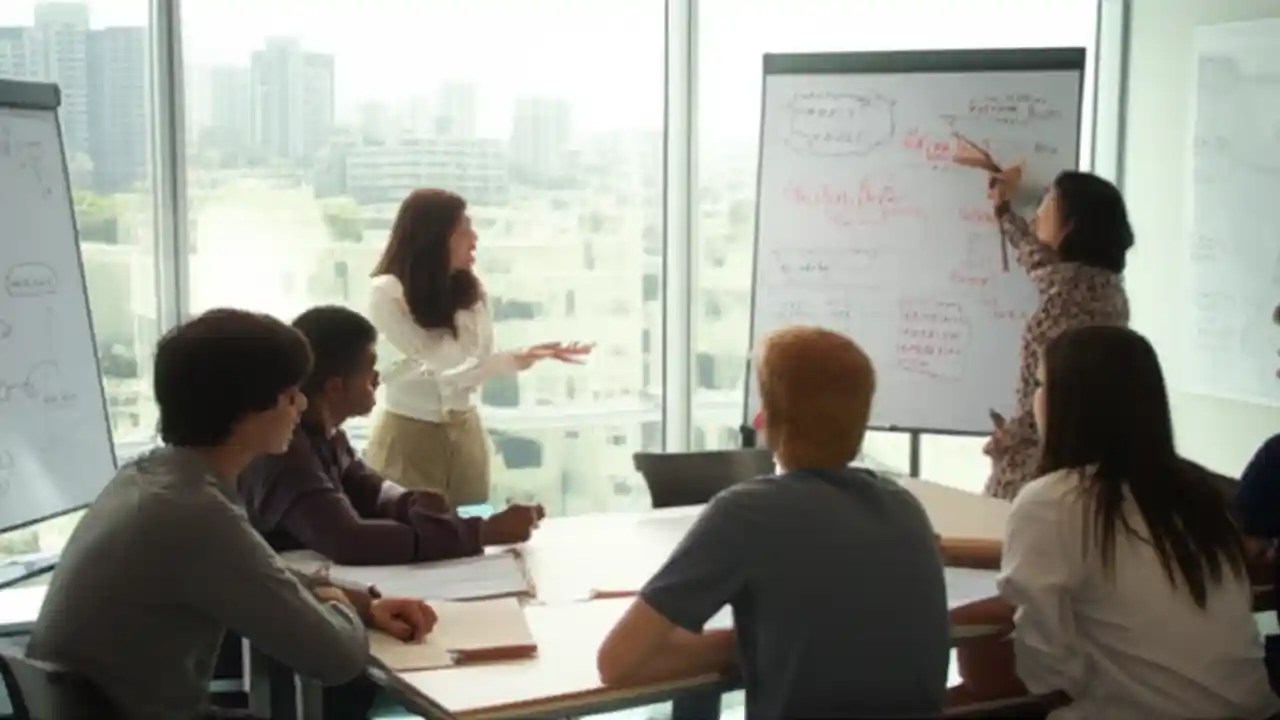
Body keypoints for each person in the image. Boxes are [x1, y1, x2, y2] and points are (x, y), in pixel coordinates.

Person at [25, 309, 437, 720]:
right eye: (291, 393)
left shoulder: (150, 478)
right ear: (245, 410)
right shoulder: (194, 513)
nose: (303, 404)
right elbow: (336, 660)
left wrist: (361, 604)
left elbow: (262, 572)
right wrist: (334, 600)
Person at [597, 326, 949, 718]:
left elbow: (617, 662)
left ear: (767, 420)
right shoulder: (906, 509)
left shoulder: (747, 513)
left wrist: (747, 644)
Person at [958, 326, 1279, 719]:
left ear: (1069, 401)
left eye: (1040, 384)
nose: (1033, 398)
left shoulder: (1053, 500)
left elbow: (1045, 665)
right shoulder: (1200, 492)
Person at [239, 305, 545, 565]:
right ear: (335, 387)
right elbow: (349, 540)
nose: (378, 378)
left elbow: (366, 486)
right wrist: (481, 533)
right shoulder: (285, 452)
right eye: (370, 368)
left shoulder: (327, 436)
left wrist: (409, 502)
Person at [363, 188, 592, 505]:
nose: (475, 238)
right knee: (411, 534)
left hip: (466, 432)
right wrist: (501, 360)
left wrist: (520, 358)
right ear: (433, 238)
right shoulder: (386, 293)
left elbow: (472, 362)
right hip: (408, 436)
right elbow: (447, 364)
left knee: (471, 531)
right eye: (462, 230)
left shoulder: (470, 293)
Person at [980, 167, 1133, 500]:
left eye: (1048, 200)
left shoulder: (1070, 302)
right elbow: (1037, 260)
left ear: (1071, 224)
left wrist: (1007, 440)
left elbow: (1052, 402)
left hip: (1046, 466)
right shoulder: (1093, 285)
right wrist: (1005, 213)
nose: (1037, 211)